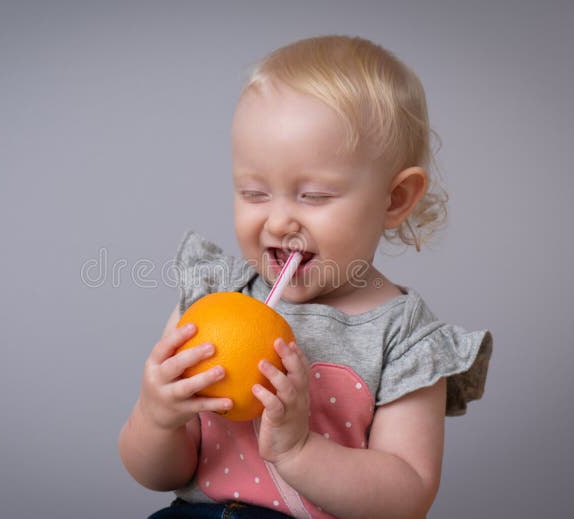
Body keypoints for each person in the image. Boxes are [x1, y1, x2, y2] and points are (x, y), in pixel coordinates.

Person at [118, 35, 492, 519]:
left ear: (395, 199)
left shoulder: (404, 340)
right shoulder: (213, 301)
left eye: (313, 196)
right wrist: (156, 418)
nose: (277, 222)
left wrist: (298, 450)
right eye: (254, 193)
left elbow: (407, 498)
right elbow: (158, 474)